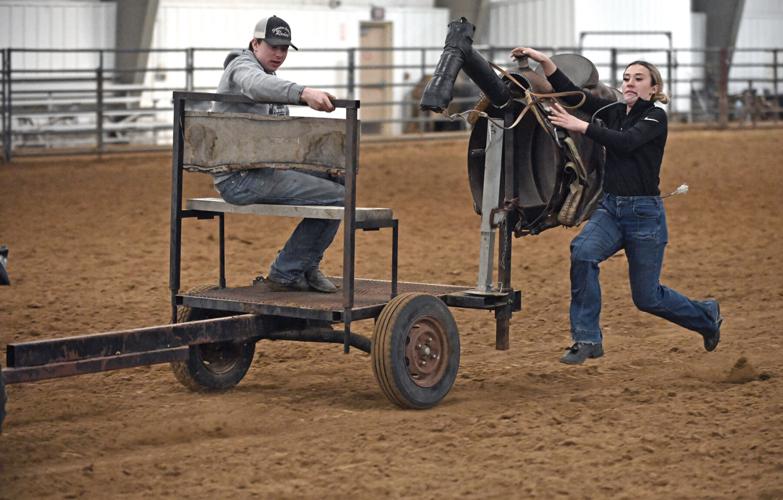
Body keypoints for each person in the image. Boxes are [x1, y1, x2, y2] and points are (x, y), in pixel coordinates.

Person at [510, 47, 723, 364]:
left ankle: (706, 316)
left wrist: (581, 127)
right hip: (611, 210)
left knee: (647, 297)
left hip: (644, 215)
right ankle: (587, 339)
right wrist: (545, 62)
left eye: (638, 78)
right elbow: (576, 98)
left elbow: (627, 142)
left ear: (653, 88)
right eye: (626, 78)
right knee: (582, 252)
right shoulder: (613, 110)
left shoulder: (655, 116)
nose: (630, 83)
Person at [212, 15, 343, 293]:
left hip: (258, 168)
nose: (279, 54)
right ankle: (287, 271)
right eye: (273, 46)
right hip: (239, 177)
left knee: (340, 179)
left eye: (284, 48)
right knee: (340, 196)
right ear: (255, 43)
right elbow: (255, 85)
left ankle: (304, 265)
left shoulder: (266, 76)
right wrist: (303, 92)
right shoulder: (242, 67)